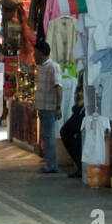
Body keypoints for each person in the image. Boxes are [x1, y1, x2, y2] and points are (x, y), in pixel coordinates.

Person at [34, 41, 63, 174]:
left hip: (50, 108)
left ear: (40, 53)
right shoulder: (41, 68)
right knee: (46, 137)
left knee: (49, 137)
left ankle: (52, 165)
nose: (34, 55)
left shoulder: (53, 67)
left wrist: (58, 107)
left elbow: (58, 87)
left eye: (35, 53)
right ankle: (49, 163)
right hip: (42, 107)